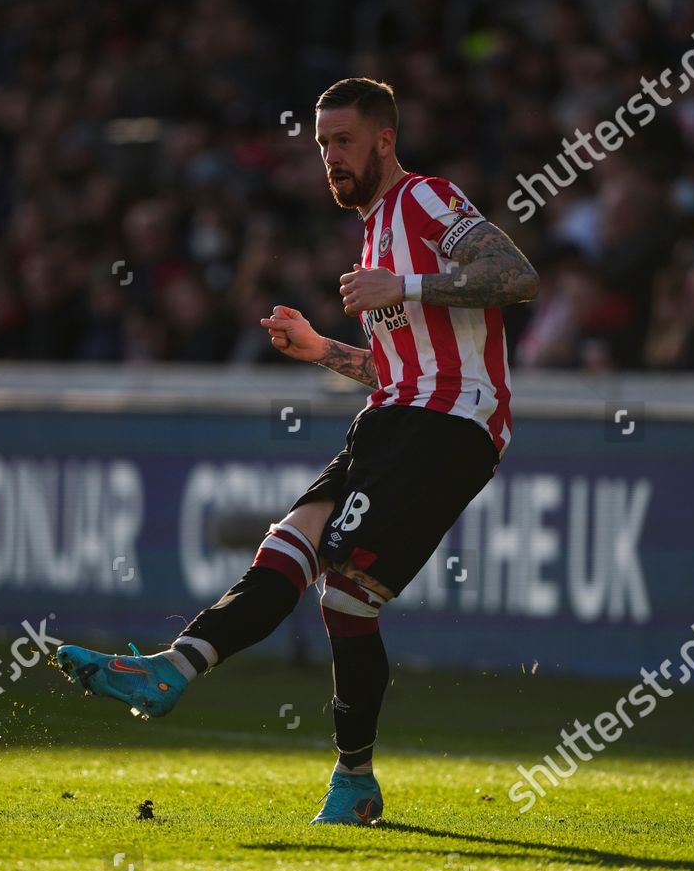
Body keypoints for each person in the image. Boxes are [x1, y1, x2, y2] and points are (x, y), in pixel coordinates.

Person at [53, 78, 538, 825]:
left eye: (344, 142)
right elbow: (399, 368)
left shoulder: (424, 201)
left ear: (383, 139)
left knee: (330, 571)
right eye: (321, 146)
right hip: (396, 414)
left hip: (447, 426)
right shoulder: (375, 230)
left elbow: (516, 276)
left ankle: (178, 673)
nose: (331, 160)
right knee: (325, 579)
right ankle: (338, 774)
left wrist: (402, 282)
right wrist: (320, 350)